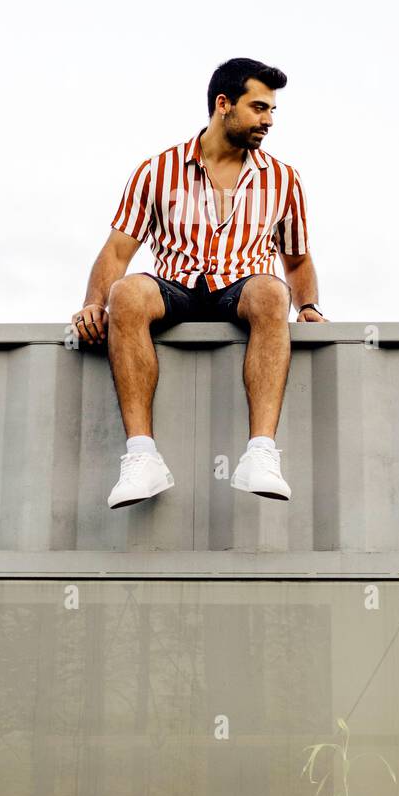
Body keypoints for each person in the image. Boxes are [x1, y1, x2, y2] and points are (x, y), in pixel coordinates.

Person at [71, 57, 327, 508]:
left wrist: (308, 306)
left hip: (241, 287)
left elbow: (297, 258)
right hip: (176, 287)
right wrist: (93, 303)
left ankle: (261, 453)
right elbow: (116, 252)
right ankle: (142, 457)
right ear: (223, 104)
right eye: (259, 108)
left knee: (273, 291)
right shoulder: (157, 171)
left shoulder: (283, 179)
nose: (268, 121)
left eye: (272, 111)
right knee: (125, 292)